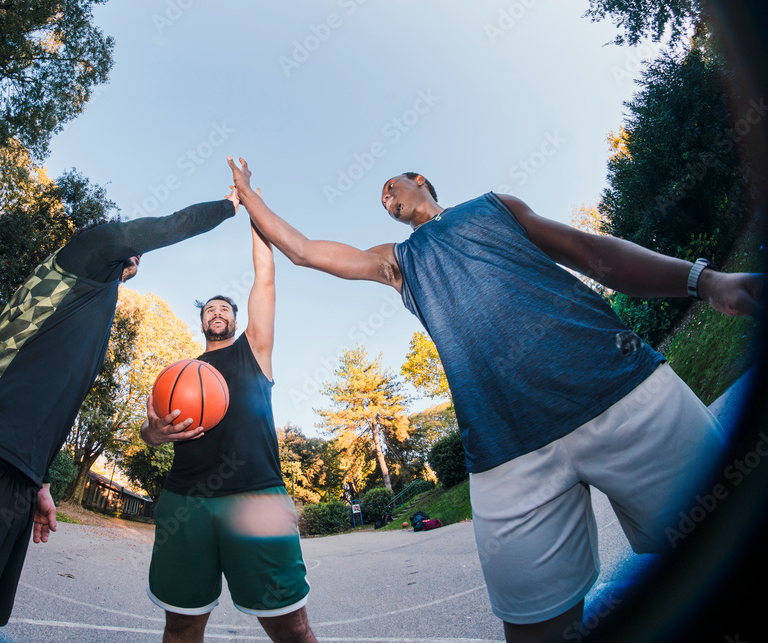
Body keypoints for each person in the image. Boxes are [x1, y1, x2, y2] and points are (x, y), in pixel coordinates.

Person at [226, 156, 764, 643]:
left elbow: (591, 252)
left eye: (391, 187)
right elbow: (303, 251)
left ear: (420, 180)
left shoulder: (493, 207)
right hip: (506, 451)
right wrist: (249, 194)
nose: (387, 199)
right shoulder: (400, 261)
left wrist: (706, 282)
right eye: (381, 201)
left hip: (622, 391)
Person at [0, 192, 239, 640]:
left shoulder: (87, 303)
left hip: (14, 465)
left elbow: (53, 398)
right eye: (133, 253)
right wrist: (230, 204)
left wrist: (43, 481)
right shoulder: (90, 248)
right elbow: (171, 224)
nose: (137, 260)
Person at [140, 210, 318, 643]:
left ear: (235, 320)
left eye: (225, 308)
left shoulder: (253, 351)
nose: (217, 313)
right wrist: (154, 435)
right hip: (186, 501)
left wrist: (253, 210)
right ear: (202, 322)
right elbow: (148, 433)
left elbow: (265, 276)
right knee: (180, 624)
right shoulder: (180, 373)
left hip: (256, 496)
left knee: (290, 626)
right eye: (210, 309)